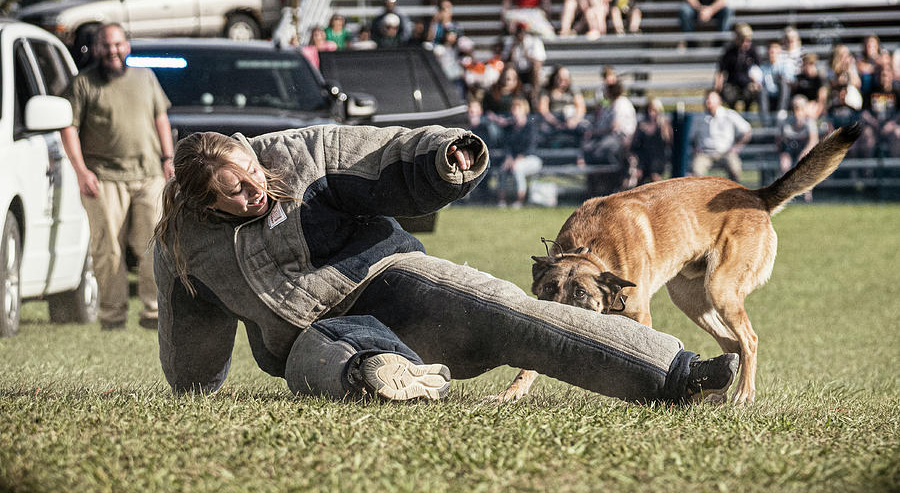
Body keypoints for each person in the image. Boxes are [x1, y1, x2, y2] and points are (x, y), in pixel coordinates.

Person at [152, 123, 739, 403]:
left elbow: (379, 153)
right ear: (204, 202)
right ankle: (384, 375)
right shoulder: (186, 245)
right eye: (235, 192)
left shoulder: (300, 155)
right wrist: (193, 390)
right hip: (307, 335)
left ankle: (676, 373)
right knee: (323, 360)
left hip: (391, 278)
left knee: (510, 312)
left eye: (251, 173)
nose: (255, 189)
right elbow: (187, 332)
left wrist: (439, 157)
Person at [60, 22, 175, 331]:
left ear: (127, 46)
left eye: (117, 44)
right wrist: (81, 171)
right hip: (103, 178)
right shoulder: (83, 84)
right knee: (107, 249)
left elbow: (161, 118)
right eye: (106, 45)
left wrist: (168, 159)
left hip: (149, 175)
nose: (112, 50)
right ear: (96, 48)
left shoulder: (145, 77)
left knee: (154, 245)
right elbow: (68, 128)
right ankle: (112, 317)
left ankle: (154, 313)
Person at [690, 89, 752, 181]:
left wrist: (737, 147)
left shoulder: (730, 115)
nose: (708, 102)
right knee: (695, 173)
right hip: (705, 153)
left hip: (725, 152)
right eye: (706, 99)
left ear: (719, 101)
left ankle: (734, 190)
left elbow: (747, 131)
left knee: (735, 169)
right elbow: (690, 137)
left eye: (711, 99)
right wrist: (694, 148)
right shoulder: (699, 118)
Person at [496, 97, 543, 208]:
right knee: (503, 169)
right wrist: (508, 158)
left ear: (524, 110)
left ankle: (519, 201)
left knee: (517, 168)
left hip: (531, 159)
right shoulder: (509, 128)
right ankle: (501, 201)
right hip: (514, 159)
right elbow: (506, 146)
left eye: (518, 109)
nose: (515, 112)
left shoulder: (531, 126)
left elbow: (530, 148)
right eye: (514, 109)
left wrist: (516, 160)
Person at [582, 81, 636, 169]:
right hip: (611, 136)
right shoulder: (612, 104)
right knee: (588, 147)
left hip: (621, 138)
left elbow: (614, 127)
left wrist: (596, 132)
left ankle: (612, 172)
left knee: (599, 150)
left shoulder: (620, 104)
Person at [536, 65, 588, 148]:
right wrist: (556, 123)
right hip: (553, 119)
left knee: (585, 128)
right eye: (560, 79)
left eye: (565, 79)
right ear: (554, 77)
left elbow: (581, 107)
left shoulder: (573, 89)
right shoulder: (546, 90)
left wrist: (574, 120)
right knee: (542, 129)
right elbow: (543, 110)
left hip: (571, 118)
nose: (562, 82)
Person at [714, 22, 762, 111]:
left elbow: (760, 68)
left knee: (752, 92)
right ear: (737, 39)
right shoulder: (729, 51)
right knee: (728, 93)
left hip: (748, 84)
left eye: (748, 40)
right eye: (743, 40)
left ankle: (747, 113)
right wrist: (717, 86)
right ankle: (733, 112)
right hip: (733, 84)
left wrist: (757, 82)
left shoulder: (752, 51)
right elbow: (721, 70)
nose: (746, 43)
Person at [627, 97, 673, 187]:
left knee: (654, 175)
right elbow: (634, 146)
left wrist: (663, 127)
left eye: (654, 110)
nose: (651, 113)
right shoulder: (641, 126)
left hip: (658, 160)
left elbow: (669, 142)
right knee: (637, 175)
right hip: (643, 159)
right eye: (649, 110)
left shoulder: (664, 125)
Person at [503, 22, 546, 107]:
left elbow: (539, 61)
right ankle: (509, 96)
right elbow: (505, 60)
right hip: (517, 71)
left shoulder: (534, 41)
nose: (520, 34)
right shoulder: (510, 42)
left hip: (531, 72)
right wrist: (513, 48)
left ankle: (535, 93)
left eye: (522, 31)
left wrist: (526, 53)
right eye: (518, 31)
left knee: (536, 68)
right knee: (509, 69)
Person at [777, 95, 819, 180]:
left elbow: (813, 141)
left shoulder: (809, 122)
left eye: (800, 108)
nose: (797, 111)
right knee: (785, 164)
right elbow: (779, 140)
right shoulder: (785, 120)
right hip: (790, 147)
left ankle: (803, 188)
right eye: (795, 108)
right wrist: (783, 153)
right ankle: (787, 186)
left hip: (804, 147)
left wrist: (804, 153)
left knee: (803, 163)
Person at [757, 40, 795, 125]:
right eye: (770, 51)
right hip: (768, 95)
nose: (772, 54)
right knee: (761, 90)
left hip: (781, 96)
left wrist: (783, 78)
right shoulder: (763, 67)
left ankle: (781, 112)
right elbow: (760, 81)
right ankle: (766, 120)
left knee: (783, 83)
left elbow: (791, 81)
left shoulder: (785, 64)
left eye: (774, 51)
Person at [792, 53, 829, 118]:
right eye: (805, 64)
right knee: (798, 102)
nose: (806, 67)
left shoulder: (820, 79)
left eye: (810, 64)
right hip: (802, 104)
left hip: (814, 105)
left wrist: (816, 114)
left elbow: (822, 100)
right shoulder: (800, 77)